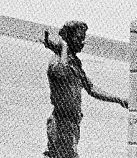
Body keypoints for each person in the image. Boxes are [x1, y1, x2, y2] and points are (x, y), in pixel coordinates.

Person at [42, 20, 128, 158]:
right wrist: (63, 46)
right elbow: (61, 71)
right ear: (67, 38)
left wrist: (118, 99)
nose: (83, 42)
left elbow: (91, 88)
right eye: (79, 38)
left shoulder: (75, 63)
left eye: (83, 38)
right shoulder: (56, 62)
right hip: (60, 125)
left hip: (72, 125)